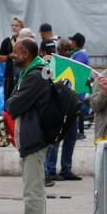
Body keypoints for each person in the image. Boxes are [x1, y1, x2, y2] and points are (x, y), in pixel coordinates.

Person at [5, 38, 49, 214]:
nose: (13, 55)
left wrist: (13, 102)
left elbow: (13, 104)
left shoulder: (37, 74)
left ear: (27, 54)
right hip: (31, 137)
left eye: (16, 52)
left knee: (33, 191)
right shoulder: (29, 72)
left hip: (34, 138)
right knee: (33, 189)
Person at [44, 38, 81, 183]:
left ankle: (66, 169)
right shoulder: (51, 64)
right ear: (58, 50)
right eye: (63, 49)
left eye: (68, 50)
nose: (66, 52)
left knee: (71, 139)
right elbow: (44, 83)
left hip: (71, 109)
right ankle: (51, 170)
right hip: (57, 110)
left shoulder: (74, 65)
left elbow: (79, 83)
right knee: (55, 140)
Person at [0, 17, 24, 99]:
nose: (14, 27)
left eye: (16, 25)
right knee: (8, 98)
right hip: (9, 75)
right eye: (12, 25)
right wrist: (10, 56)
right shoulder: (7, 41)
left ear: (21, 27)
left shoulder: (26, 41)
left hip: (23, 75)